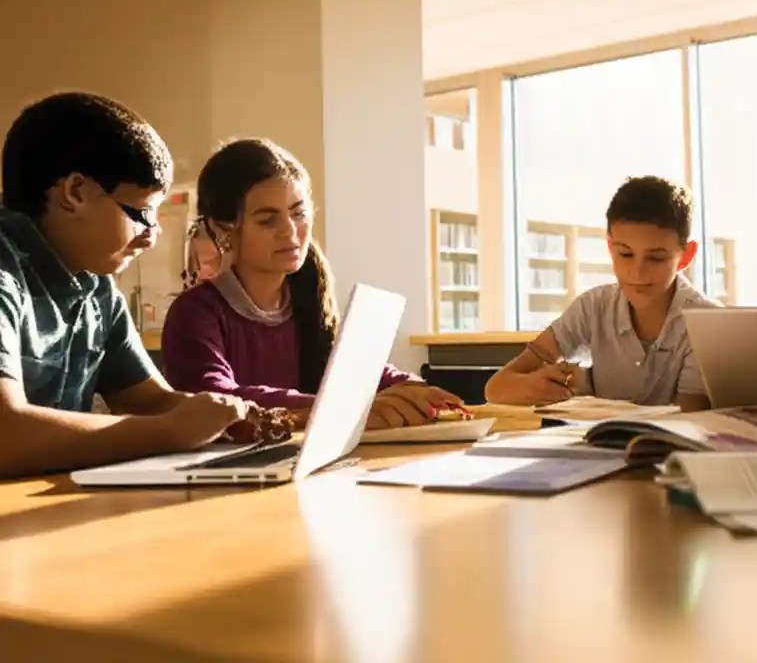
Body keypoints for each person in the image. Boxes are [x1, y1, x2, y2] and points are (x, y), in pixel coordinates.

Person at [0, 92, 255, 478]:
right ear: (75, 192)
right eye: (141, 212)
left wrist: (224, 417)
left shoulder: (97, 286)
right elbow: (7, 434)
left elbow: (148, 400)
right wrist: (169, 432)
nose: (152, 235)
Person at [161, 138, 464, 429]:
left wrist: (411, 390)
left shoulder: (309, 297)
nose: (290, 232)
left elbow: (355, 369)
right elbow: (216, 400)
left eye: (298, 214)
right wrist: (339, 410)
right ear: (222, 228)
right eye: (268, 220)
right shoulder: (194, 313)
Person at [485, 176, 719, 411]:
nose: (637, 273)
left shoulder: (705, 323)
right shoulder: (593, 307)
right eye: (625, 254)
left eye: (656, 258)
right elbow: (495, 388)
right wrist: (538, 386)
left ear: (686, 256)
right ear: (610, 248)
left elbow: (690, 419)